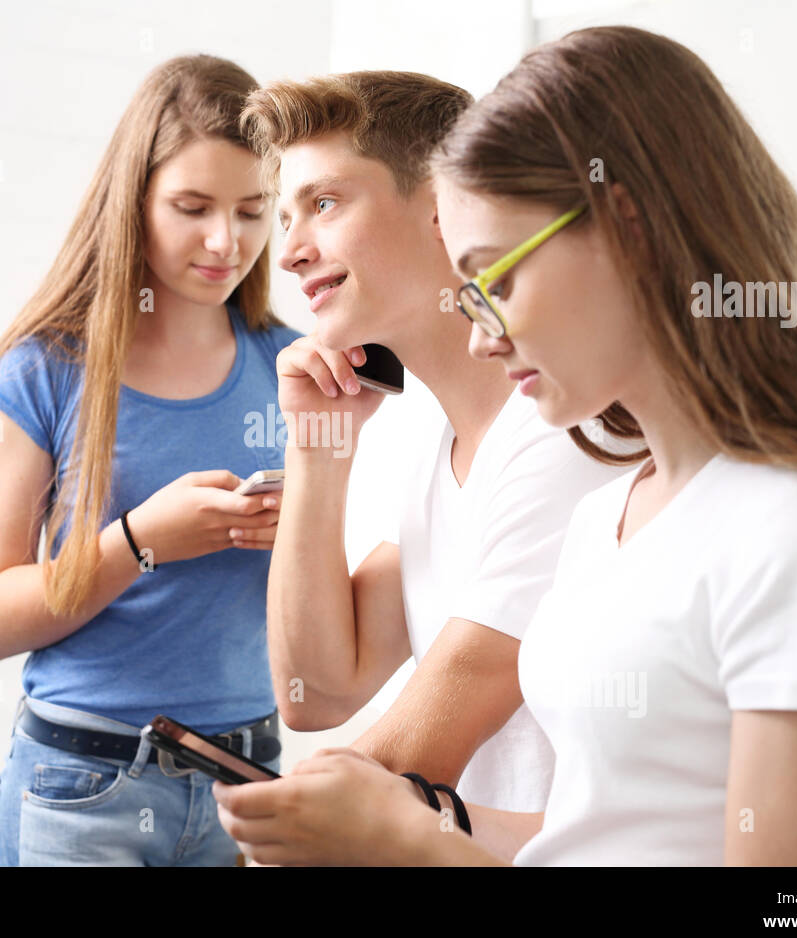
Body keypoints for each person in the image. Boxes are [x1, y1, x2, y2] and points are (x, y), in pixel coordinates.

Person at [212, 26, 797, 866]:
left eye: (497, 280)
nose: (482, 332)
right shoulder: (611, 516)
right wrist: (417, 825)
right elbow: (593, 836)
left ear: (624, 230)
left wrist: (411, 843)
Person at [236, 70, 635, 856]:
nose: (288, 253)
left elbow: (412, 758)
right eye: (285, 217)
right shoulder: (434, 439)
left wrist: (286, 820)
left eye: (324, 203)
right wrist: (317, 444)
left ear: (440, 208)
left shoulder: (563, 436)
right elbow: (314, 691)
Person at [0, 54, 302, 866]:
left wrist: (305, 532)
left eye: (253, 211)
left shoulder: (296, 371)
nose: (226, 241)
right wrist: (138, 542)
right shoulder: (43, 375)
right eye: (191, 207)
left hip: (246, 793)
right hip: (82, 794)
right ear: (132, 202)